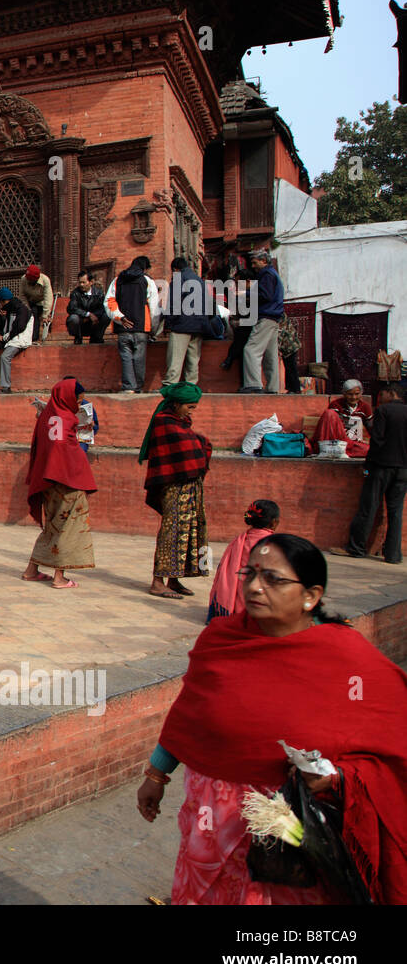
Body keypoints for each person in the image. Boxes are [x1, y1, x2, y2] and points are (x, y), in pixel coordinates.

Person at [137, 534, 407, 905]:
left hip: (291, 830)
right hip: (211, 820)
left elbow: (393, 742)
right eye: (249, 574)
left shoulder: (349, 660)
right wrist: (156, 773)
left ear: (310, 595)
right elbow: (192, 713)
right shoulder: (221, 640)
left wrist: (336, 778)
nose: (254, 587)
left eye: (273, 579)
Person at [22, 378, 97, 589]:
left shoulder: (47, 416)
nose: (79, 404)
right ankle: (59, 576)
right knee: (69, 526)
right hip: (67, 480)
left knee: (52, 525)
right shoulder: (66, 418)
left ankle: (31, 570)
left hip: (47, 480)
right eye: (78, 399)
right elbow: (67, 451)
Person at [139, 382, 212, 598]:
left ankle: (174, 578)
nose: (191, 411)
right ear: (176, 404)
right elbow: (191, 447)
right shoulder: (164, 423)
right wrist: (202, 443)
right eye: (189, 406)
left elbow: (194, 446)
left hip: (190, 487)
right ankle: (158, 581)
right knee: (171, 532)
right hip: (173, 486)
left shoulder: (182, 422)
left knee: (189, 531)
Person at [337, 384, 407, 564]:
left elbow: (377, 440)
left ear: (391, 393)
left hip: (382, 466)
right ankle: (393, 555)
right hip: (403, 469)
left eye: (381, 394)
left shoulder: (384, 410)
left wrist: (368, 466)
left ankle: (357, 548)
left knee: (369, 506)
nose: (379, 398)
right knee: (396, 511)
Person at [206, 499, 281, 621]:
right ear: (274, 523)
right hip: (256, 605)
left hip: (235, 602)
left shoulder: (240, 540)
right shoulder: (273, 544)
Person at [104, 256, 158, 393]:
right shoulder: (147, 281)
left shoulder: (118, 280)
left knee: (126, 357)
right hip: (141, 327)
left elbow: (109, 302)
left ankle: (129, 387)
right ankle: (138, 387)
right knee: (139, 358)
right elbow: (154, 308)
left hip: (123, 327)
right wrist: (154, 329)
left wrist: (120, 317)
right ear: (145, 268)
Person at [164, 257, 217, 386]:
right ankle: (191, 386)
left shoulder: (179, 279)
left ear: (175, 269)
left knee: (175, 359)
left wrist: (168, 324)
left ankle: (169, 385)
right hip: (199, 325)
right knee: (193, 360)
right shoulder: (200, 281)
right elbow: (210, 305)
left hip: (182, 324)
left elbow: (174, 304)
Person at [240, 249, 285, 394]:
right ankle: (272, 388)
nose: (253, 266)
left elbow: (265, 295)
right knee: (270, 355)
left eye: (255, 262)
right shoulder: (273, 274)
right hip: (274, 317)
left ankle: (253, 384)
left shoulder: (266, 274)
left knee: (251, 350)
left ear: (263, 261)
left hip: (266, 316)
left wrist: (245, 294)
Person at [0, 287, 33, 393]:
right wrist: (1, 319)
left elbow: (19, 328)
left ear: (4, 301)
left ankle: (6, 386)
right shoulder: (6, 311)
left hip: (18, 339)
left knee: (5, 357)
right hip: (7, 339)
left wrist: (6, 337)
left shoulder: (21, 309)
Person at [65, 272, 106, 345]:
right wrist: (88, 315)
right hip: (81, 321)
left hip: (95, 321)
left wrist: (94, 316)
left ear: (91, 282)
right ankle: (78, 337)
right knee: (73, 318)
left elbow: (103, 308)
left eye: (83, 282)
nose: (81, 285)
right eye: (80, 282)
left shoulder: (99, 293)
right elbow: (72, 308)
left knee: (106, 316)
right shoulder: (75, 293)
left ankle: (97, 337)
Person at [17, 264, 55, 342]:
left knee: (38, 314)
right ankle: (31, 337)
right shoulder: (23, 279)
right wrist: (27, 308)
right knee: (32, 313)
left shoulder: (45, 280)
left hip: (42, 302)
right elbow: (22, 296)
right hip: (31, 302)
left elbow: (48, 298)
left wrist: (45, 315)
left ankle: (38, 336)